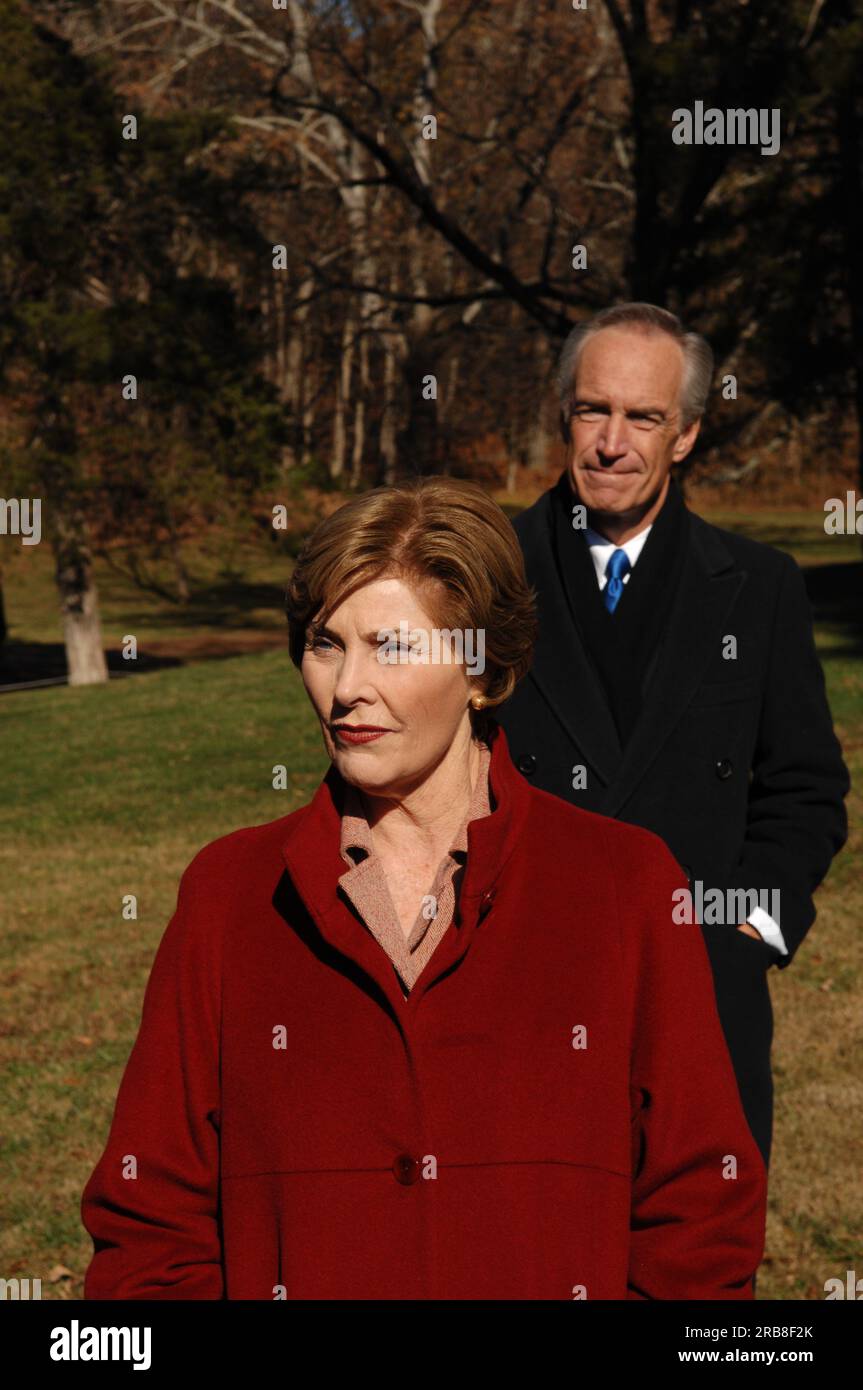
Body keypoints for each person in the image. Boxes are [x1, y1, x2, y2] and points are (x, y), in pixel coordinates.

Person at [81, 477, 766, 1300]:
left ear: (484, 671)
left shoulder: (623, 884)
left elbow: (701, 1207)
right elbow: (150, 1218)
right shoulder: (228, 894)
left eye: (392, 647)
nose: (344, 689)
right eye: (325, 643)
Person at [496, 302, 850, 1172]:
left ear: (684, 434)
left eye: (642, 417)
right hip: (512, 995)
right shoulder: (485, 573)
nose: (610, 442)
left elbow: (803, 793)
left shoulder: (757, 588)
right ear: (565, 414)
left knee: (695, 1272)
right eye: (592, 410)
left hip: (698, 1000)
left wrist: (743, 939)